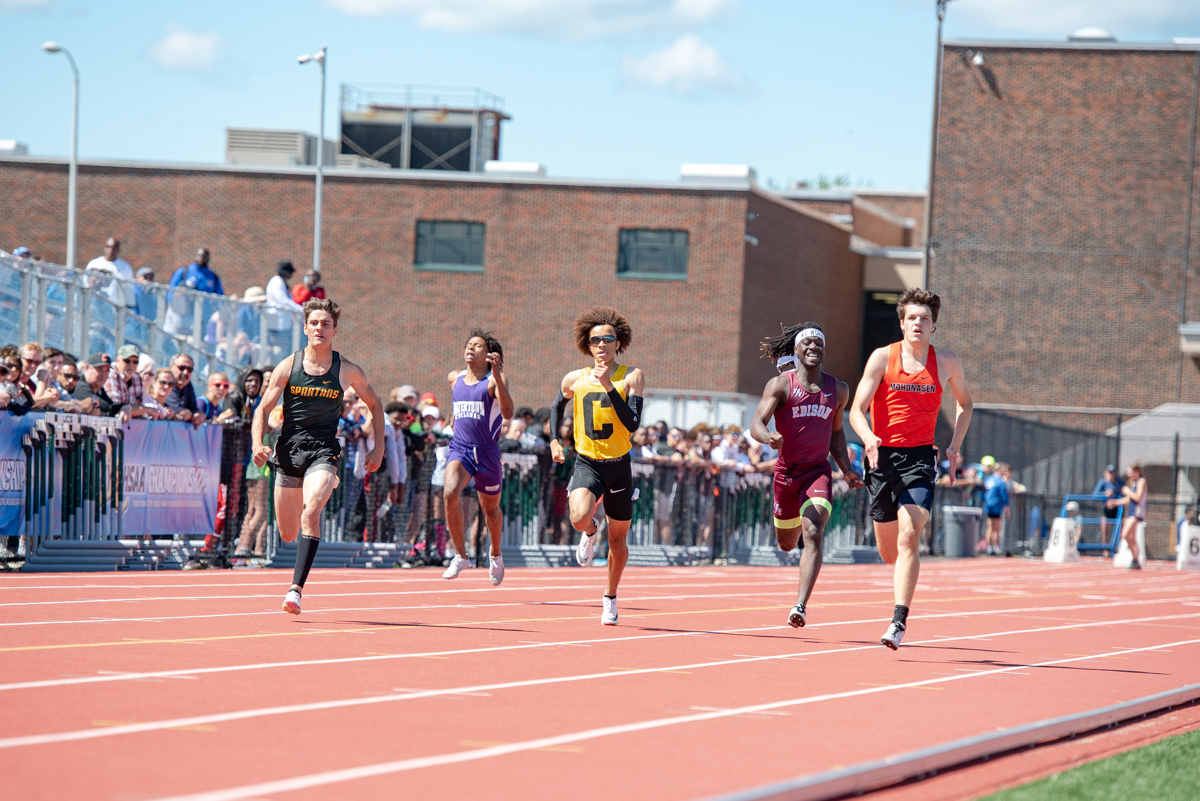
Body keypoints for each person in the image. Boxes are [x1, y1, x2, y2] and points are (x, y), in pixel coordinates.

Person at [849, 288, 973, 650]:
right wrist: (869, 437)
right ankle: (898, 594)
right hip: (882, 458)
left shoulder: (947, 361)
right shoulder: (881, 358)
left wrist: (954, 446)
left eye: (926, 319)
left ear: (934, 326)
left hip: (920, 458)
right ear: (902, 324)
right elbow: (857, 410)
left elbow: (965, 404)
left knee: (910, 534)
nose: (919, 323)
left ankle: (898, 621)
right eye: (912, 318)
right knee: (889, 551)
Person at [252, 298, 384, 615]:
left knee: (311, 512)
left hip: (324, 450)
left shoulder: (347, 369)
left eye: (325, 324)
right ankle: (318, 487)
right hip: (288, 451)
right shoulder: (289, 366)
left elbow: (376, 405)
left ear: (334, 330)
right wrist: (258, 443)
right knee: (287, 533)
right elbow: (263, 408)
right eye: (314, 323)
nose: (319, 328)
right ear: (305, 327)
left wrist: (378, 446)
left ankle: (295, 590)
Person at [750, 322, 862, 628]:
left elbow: (837, 434)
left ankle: (800, 605)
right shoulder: (781, 385)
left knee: (813, 533)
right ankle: (798, 514)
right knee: (787, 543)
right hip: (786, 475)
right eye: (807, 343)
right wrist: (767, 436)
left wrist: (848, 471)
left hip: (817, 473)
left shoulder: (837, 390)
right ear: (796, 350)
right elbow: (756, 423)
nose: (814, 347)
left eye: (819, 343)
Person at [549, 307, 645, 626]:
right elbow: (556, 404)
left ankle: (610, 597)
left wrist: (608, 386)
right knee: (577, 517)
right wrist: (553, 439)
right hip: (588, 462)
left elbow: (632, 421)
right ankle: (590, 531)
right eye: (595, 341)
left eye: (607, 339)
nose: (601, 345)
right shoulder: (574, 378)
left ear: (618, 343)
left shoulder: (631, 376)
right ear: (587, 345)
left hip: (619, 466)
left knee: (618, 542)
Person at [440, 330, 515, 584]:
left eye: (478, 345)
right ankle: (460, 555)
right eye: (469, 344)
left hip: (487, 453)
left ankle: (495, 552)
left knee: (490, 510)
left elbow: (508, 412)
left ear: (489, 355)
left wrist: (497, 376)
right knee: (450, 493)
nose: (471, 348)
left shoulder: (495, 380)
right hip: (460, 449)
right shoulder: (455, 378)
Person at [1107, 462, 1148, 570]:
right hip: (1130, 512)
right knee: (1131, 537)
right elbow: (1128, 500)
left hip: (1137, 512)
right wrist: (1115, 502)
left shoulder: (1141, 481)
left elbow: (1138, 497)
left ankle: (1135, 559)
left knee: (1125, 534)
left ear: (1136, 471)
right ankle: (1136, 560)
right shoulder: (1132, 482)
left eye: (1130, 471)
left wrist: (1127, 491)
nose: (1129, 474)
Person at [266, 260, 304, 358]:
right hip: (278, 323)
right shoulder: (277, 281)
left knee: (286, 349)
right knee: (282, 350)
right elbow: (283, 301)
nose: (291, 275)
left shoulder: (280, 281)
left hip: (283, 323)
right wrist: (302, 310)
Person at [85, 237, 136, 307]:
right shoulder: (94, 264)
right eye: (108, 246)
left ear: (118, 250)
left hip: (114, 307)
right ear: (104, 248)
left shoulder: (125, 267)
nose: (111, 249)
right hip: (94, 304)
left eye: (114, 247)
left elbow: (129, 291)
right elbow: (86, 284)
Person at [980, 455, 1009, 555]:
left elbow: (983, 493)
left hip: (988, 506)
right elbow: (1004, 496)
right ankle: (997, 547)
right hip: (996, 507)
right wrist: (1007, 508)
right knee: (996, 528)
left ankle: (989, 547)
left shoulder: (988, 479)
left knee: (989, 527)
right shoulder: (1000, 481)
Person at [165, 354, 203, 426]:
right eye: (181, 368)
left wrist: (200, 415)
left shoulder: (187, 384)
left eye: (189, 369)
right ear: (171, 367)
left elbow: (195, 410)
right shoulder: (166, 383)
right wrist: (192, 415)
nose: (185, 372)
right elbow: (180, 413)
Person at [1094, 465, 1122, 543]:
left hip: (1118, 510)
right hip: (1106, 511)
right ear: (1105, 473)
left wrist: (1115, 494)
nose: (1111, 475)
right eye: (1109, 473)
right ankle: (1105, 551)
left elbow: (1124, 491)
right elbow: (1095, 495)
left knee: (1119, 530)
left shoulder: (1119, 482)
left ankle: (1116, 548)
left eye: (1112, 473)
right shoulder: (1102, 482)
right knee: (1105, 531)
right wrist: (1105, 494)